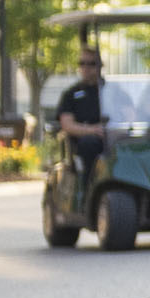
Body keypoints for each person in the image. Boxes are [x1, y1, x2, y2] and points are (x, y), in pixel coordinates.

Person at [54, 47, 111, 195]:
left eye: (91, 64)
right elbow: (67, 124)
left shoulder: (112, 90)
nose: (85, 68)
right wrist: (93, 130)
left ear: (99, 66)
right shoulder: (71, 94)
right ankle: (89, 192)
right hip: (85, 141)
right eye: (82, 63)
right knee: (89, 143)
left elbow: (129, 114)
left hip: (112, 137)